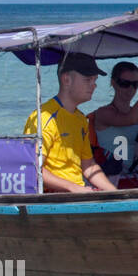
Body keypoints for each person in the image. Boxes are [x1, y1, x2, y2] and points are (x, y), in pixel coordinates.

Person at [23, 52, 118, 193]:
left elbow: (89, 165)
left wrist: (114, 192)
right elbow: (32, 167)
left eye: (95, 80)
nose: (94, 85)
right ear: (66, 79)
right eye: (88, 79)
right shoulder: (44, 117)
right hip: (54, 198)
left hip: (77, 193)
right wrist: (74, 188)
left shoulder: (80, 119)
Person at [89, 62, 138, 187]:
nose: (130, 89)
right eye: (125, 84)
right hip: (116, 177)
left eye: (135, 84)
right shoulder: (104, 113)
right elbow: (131, 119)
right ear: (113, 83)